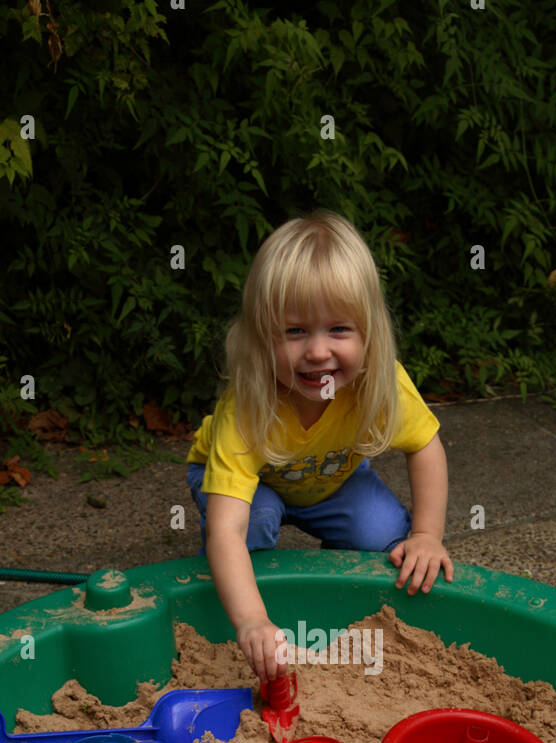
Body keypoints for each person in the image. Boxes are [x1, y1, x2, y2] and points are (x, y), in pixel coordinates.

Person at [186, 209, 454, 681]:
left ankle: (329, 571)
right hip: (255, 488)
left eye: (338, 329)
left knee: (385, 537)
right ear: (260, 336)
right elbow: (226, 529)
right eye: (294, 332)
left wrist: (428, 535)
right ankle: (258, 596)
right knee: (252, 527)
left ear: (369, 333)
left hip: (333, 480)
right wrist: (251, 621)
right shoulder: (248, 407)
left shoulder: (380, 382)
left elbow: (425, 446)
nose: (316, 350)